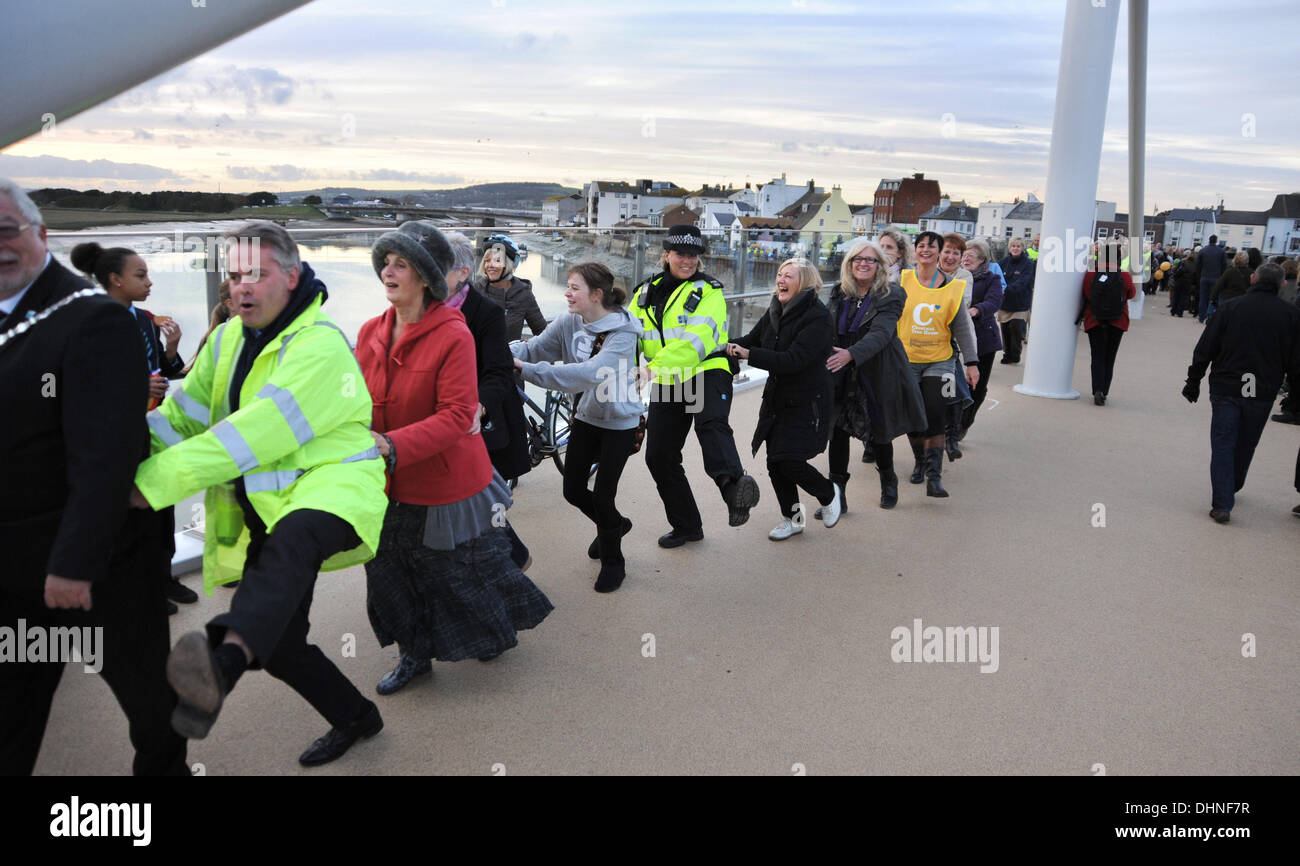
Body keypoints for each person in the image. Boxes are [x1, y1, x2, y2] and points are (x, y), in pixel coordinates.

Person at [133, 220, 390, 767]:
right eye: (233, 277)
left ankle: (219, 669)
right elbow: (185, 419)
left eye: (257, 274)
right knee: (279, 645)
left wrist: (147, 487)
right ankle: (357, 717)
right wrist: (121, 454)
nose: (241, 287)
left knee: (290, 543)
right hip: (268, 509)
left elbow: (249, 436)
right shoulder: (226, 340)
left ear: (292, 277)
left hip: (334, 490)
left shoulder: (320, 346)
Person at [0, 179, 187, 775]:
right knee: (13, 714)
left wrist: (72, 564)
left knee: (151, 707)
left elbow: (107, 454)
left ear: (42, 236)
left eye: (7, 231)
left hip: (97, 565)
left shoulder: (93, 320)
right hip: (12, 568)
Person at [357, 221, 553, 694]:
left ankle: (490, 630)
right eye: (385, 262)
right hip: (383, 483)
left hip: (444, 481)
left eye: (401, 263)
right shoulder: (368, 333)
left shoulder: (454, 333)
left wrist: (393, 445)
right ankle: (413, 655)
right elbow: (354, 402)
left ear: (426, 276)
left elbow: (456, 415)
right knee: (388, 574)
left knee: (460, 573)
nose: (388, 271)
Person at [70, 242, 195, 616]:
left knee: (161, 502)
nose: (149, 282)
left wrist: (172, 350)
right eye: (140, 275)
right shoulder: (87, 322)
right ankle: (135, 590)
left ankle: (163, 577)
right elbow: (79, 383)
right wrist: (136, 388)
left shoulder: (143, 320)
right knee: (127, 514)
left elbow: (163, 372)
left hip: (153, 427)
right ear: (114, 279)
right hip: (112, 434)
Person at [512, 262, 643, 591]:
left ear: (596, 294)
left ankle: (614, 561)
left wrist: (526, 370)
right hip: (585, 416)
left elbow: (589, 373)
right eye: (567, 286)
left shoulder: (623, 333)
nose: (567, 293)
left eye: (574, 288)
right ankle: (616, 525)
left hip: (620, 421)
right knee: (572, 490)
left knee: (602, 495)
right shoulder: (570, 321)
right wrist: (501, 351)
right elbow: (535, 347)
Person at [630, 224, 760, 547]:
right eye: (681, 254)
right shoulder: (644, 293)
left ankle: (734, 491)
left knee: (710, 423)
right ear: (666, 255)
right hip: (670, 378)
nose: (687, 261)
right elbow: (627, 333)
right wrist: (629, 368)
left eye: (693, 256)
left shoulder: (709, 292)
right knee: (659, 455)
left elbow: (694, 343)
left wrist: (650, 369)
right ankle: (687, 526)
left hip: (706, 369)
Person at [726, 259, 837, 540]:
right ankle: (793, 519)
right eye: (779, 274)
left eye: (788, 276)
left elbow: (794, 360)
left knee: (789, 461)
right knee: (775, 463)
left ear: (806, 282)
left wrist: (748, 355)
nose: (780, 280)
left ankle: (827, 491)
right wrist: (721, 347)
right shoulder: (776, 308)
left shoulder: (818, 317)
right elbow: (752, 338)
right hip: (777, 399)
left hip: (807, 401)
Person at [1183, 263, 1300, 523]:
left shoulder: (1230, 307)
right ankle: (1232, 485)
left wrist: (1194, 380)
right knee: (1246, 442)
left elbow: (1206, 346)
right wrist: (1295, 396)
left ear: (1253, 279)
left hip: (1228, 384)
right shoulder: (1291, 315)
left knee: (1224, 441)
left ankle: (1223, 500)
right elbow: (1296, 362)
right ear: (1282, 284)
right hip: (1262, 388)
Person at [444, 231, 533, 568]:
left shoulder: (486, 313)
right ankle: (509, 556)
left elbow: (497, 373)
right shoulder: (422, 307)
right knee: (465, 495)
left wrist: (477, 406)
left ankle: (511, 557)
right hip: (440, 417)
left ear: (461, 273)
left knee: (478, 495)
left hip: (481, 417)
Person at [824, 239, 926, 511]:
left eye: (870, 260)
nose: (863, 264)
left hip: (878, 372)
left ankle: (888, 479)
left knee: (879, 434)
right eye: (858, 259)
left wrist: (850, 354)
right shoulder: (838, 293)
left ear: (880, 265)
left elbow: (881, 334)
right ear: (849, 264)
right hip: (841, 374)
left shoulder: (891, 294)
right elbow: (825, 329)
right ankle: (837, 498)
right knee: (838, 432)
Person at [896, 231, 980, 498]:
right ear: (914, 250)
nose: (926, 250)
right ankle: (920, 461)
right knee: (912, 415)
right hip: (906, 361)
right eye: (921, 246)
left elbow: (962, 329)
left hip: (941, 362)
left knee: (937, 411)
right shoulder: (902, 279)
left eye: (932, 246)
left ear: (940, 251)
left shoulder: (955, 287)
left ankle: (935, 475)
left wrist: (971, 362)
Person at [1078, 241, 1137, 406]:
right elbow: (1131, 294)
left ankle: (1096, 389)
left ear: (1100, 255)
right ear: (1118, 258)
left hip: (1094, 319)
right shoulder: (1124, 275)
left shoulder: (1090, 274)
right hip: (1118, 321)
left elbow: (1086, 293)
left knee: (1097, 357)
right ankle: (1104, 391)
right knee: (1110, 358)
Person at [958, 240, 1004, 434]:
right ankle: (951, 424)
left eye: (971, 255)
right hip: (956, 339)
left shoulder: (991, 279)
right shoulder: (954, 277)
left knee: (977, 385)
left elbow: (995, 301)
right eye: (964, 254)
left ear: (982, 260)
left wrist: (977, 310)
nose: (966, 258)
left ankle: (964, 423)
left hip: (983, 338)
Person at [938, 234, 975, 460]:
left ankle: (951, 436)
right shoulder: (921, 274)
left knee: (950, 390)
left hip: (949, 343)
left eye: (956, 253)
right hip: (921, 343)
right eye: (947, 251)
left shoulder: (963, 276)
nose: (950, 256)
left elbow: (961, 303)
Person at [474, 234, 547, 341]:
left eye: (497, 260)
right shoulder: (475, 290)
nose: (490, 265)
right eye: (487, 260)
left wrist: (525, 349)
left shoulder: (523, 293)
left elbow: (542, 333)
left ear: (508, 264)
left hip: (511, 356)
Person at [996, 237, 1034, 364]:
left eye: (1018, 246)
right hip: (1005, 302)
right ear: (1009, 248)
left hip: (1021, 303)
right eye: (1013, 246)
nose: (1015, 248)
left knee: (1016, 327)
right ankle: (1007, 354)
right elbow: (996, 276)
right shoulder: (1003, 262)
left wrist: (1007, 289)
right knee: (1005, 330)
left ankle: (1015, 354)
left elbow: (1024, 280)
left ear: (1022, 248)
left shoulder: (1028, 263)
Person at [1195, 234, 1227, 323]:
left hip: (1204, 276)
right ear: (1216, 241)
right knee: (1213, 298)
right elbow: (1224, 265)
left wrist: (1199, 275)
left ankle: (1201, 317)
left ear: (1209, 240)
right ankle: (1210, 317)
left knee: (1203, 298)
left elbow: (1198, 265)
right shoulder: (1221, 251)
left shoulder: (1203, 250)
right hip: (1216, 277)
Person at [1170, 249, 1196, 318]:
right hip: (1188, 283)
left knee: (1176, 296)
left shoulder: (1183, 262)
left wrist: (1176, 278)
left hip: (1179, 281)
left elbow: (1176, 271)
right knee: (1183, 297)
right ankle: (1180, 312)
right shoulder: (1195, 265)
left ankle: (1173, 310)